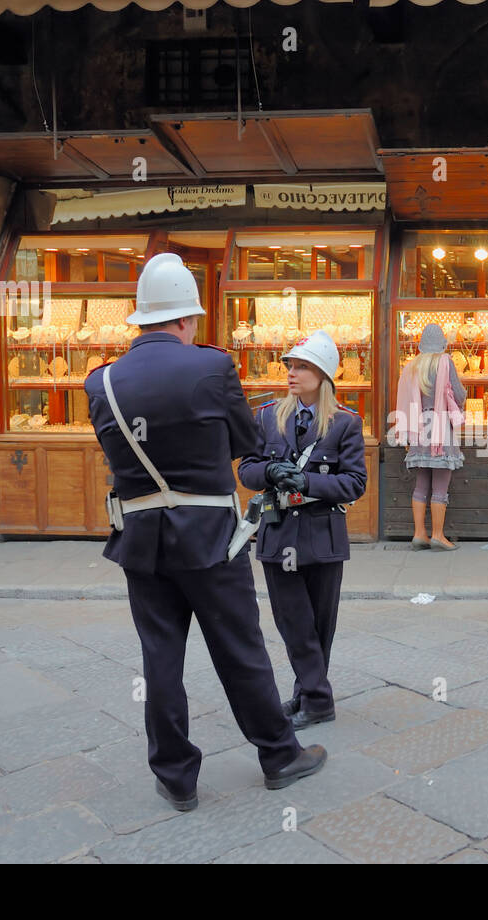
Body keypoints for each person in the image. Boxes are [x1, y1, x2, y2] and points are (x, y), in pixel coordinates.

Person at [85, 252, 325, 809]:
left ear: (140, 319)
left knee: (160, 657)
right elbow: (247, 442)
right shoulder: (211, 367)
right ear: (187, 320)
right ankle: (278, 755)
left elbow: (117, 454)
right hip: (211, 537)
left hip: (142, 539)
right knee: (240, 649)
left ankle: (175, 775)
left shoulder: (103, 382)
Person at [238, 330, 366, 730]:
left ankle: (307, 695)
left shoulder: (345, 422)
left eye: (302, 366)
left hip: (322, 536)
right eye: (290, 365)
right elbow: (247, 469)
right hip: (279, 537)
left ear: (322, 374)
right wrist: (270, 471)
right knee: (292, 621)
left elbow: (355, 483)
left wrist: (309, 483)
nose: (292, 373)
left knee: (318, 626)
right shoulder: (267, 417)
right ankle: (317, 698)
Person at [395, 322, 465, 550]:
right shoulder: (445, 362)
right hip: (440, 426)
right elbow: (460, 394)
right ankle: (437, 535)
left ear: (421, 345)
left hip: (418, 426)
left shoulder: (412, 366)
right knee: (441, 485)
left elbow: (403, 399)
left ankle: (419, 534)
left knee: (421, 483)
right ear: (442, 344)